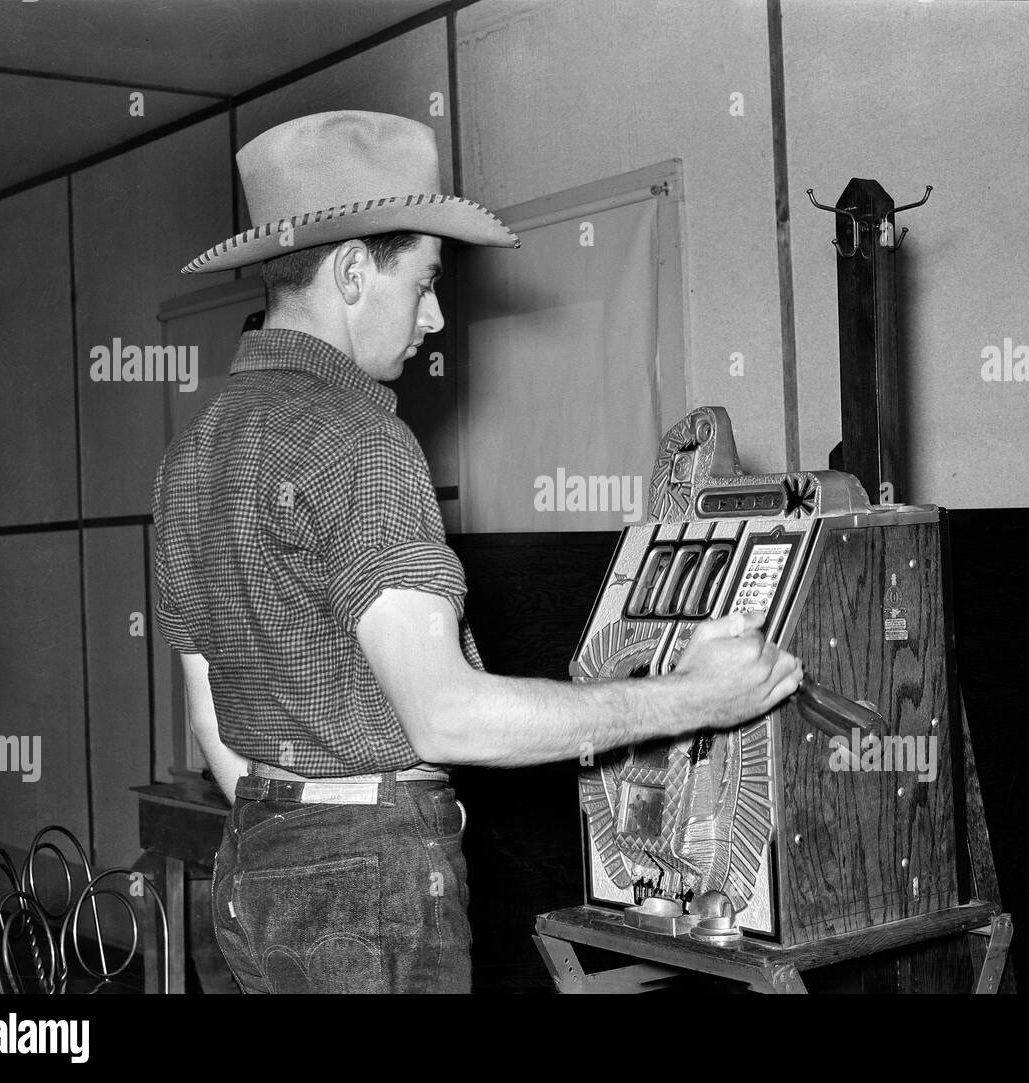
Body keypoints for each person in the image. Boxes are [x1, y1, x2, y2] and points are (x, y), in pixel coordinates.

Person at [151, 110, 803, 994]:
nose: (434, 314)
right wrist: (695, 695)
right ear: (350, 272)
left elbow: (208, 720)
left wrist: (298, 841)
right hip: (369, 889)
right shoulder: (360, 443)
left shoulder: (195, 452)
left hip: (257, 871)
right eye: (422, 280)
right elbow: (446, 716)